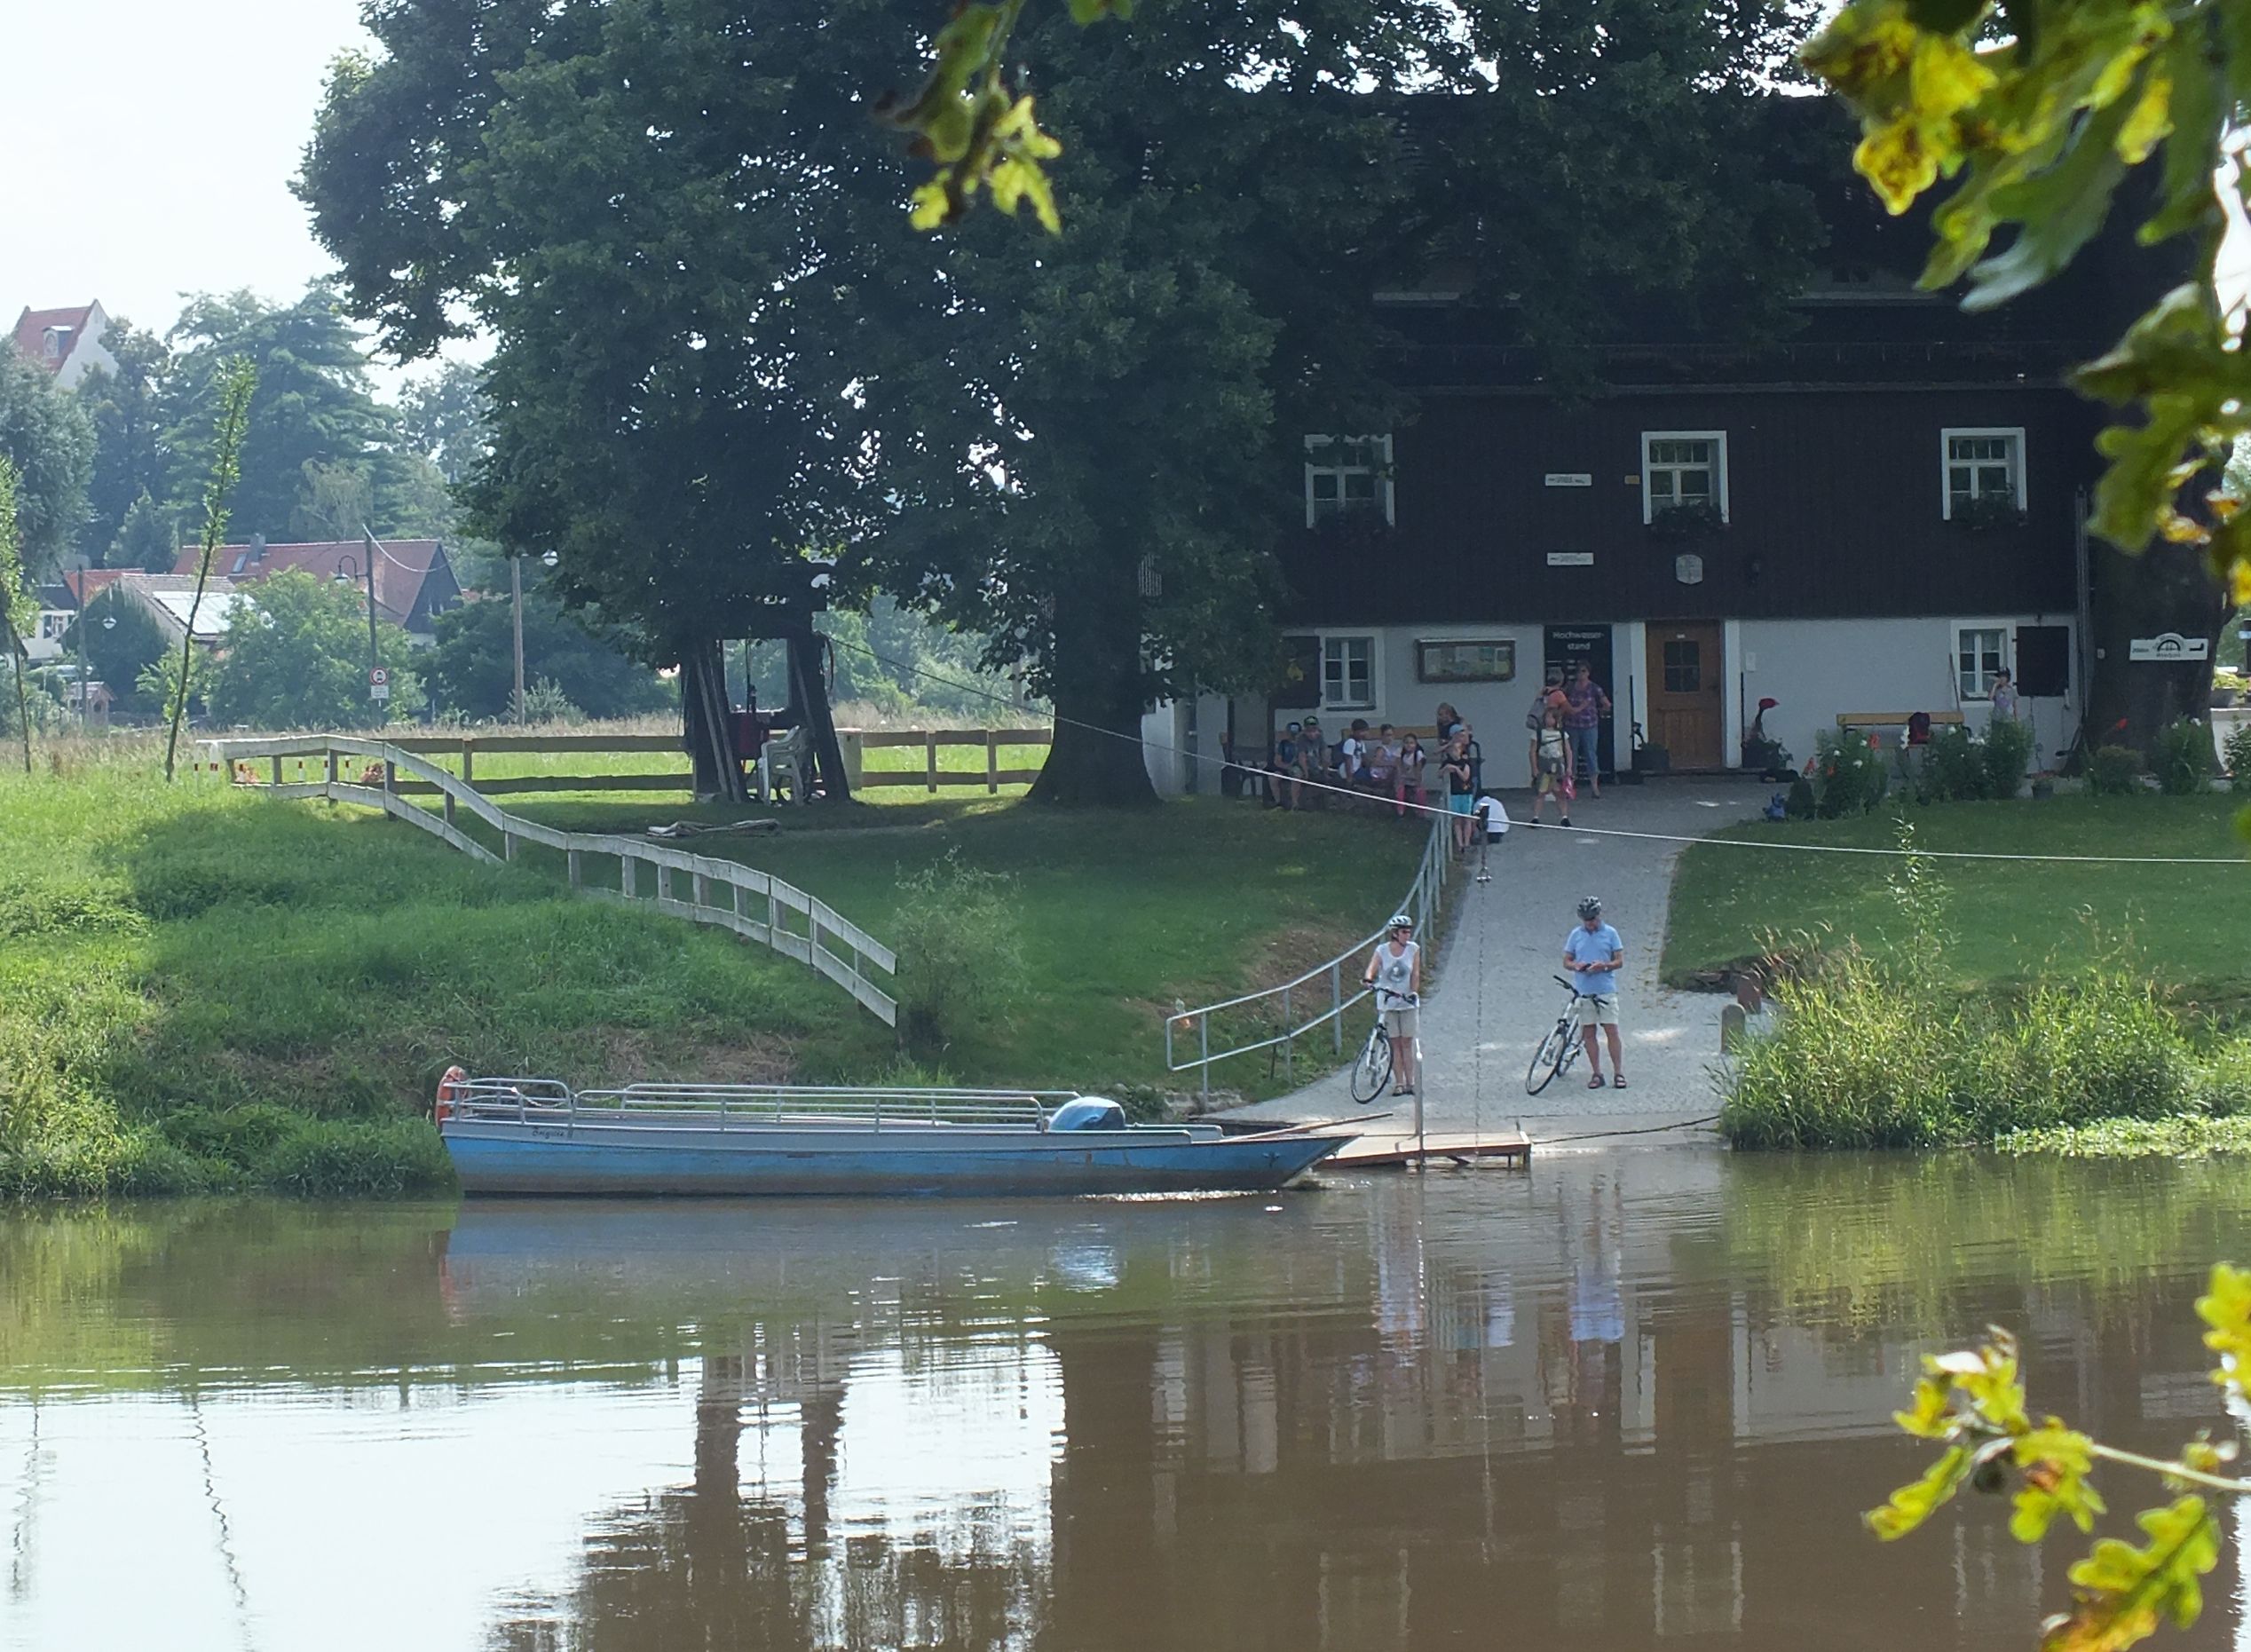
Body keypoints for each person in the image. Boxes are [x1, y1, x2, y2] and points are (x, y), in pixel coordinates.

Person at [1563, 897, 1626, 1089]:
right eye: (1586, 920)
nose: (1590, 923)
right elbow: (1566, 961)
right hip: (1584, 991)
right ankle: (1597, 1073)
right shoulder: (1576, 935)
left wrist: (1604, 966)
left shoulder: (1610, 933)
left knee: (1611, 1031)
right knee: (1588, 1033)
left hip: (1605, 990)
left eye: (1592, 919)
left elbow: (1619, 961)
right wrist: (1576, 966)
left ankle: (1618, 1072)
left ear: (1598, 916)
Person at [1362, 913, 1422, 1096]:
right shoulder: (1382, 950)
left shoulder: (1413, 949)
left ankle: (1411, 1082)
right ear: (1395, 933)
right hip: (1388, 1003)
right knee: (1395, 1044)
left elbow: (1415, 974)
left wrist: (1412, 993)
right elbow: (1372, 968)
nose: (1408, 935)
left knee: (1407, 1043)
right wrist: (1368, 979)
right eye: (1404, 932)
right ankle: (1399, 1083)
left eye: (1409, 931)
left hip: (1407, 1003)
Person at [1563, 663, 1612, 798]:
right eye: (1578, 671)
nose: (1580, 674)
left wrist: (1599, 711)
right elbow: (1562, 700)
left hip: (1589, 725)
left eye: (1583, 671)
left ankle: (1595, 787)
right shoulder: (1570, 687)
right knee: (1571, 755)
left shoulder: (1594, 688)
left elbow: (1607, 703)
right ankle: (1570, 786)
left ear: (1588, 673)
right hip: (1571, 725)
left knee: (1590, 754)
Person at [1529, 706, 1572, 826]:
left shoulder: (1562, 734)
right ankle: (1535, 817)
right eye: (1547, 717)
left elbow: (1568, 751)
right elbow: (1532, 752)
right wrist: (1534, 768)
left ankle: (1564, 817)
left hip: (1558, 765)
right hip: (1544, 765)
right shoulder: (1538, 734)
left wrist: (1569, 767)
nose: (1549, 720)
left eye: (1551, 717)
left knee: (1560, 793)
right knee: (1541, 792)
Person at [1527, 667, 1567, 785]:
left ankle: (1540, 780)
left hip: (1541, 727)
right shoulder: (1558, 694)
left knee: (1541, 753)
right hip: (1553, 730)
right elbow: (1569, 709)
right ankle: (1557, 783)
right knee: (1557, 755)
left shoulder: (1543, 692)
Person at [1441, 731, 1477, 850]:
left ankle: (1467, 842)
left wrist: (1456, 769)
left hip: (1466, 793)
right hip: (1454, 793)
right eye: (1452, 750)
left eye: (1456, 750)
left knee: (1467, 818)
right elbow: (1439, 774)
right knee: (1457, 820)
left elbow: (1465, 777)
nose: (1454, 753)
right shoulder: (1447, 763)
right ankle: (1460, 843)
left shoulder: (1465, 763)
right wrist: (1445, 769)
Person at [1266, 721, 1304, 809]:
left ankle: (1295, 803)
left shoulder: (1302, 745)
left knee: (1297, 776)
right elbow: (1277, 761)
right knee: (1273, 778)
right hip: (1284, 769)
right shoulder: (1283, 744)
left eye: (1296, 733)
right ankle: (1278, 802)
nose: (1294, 736)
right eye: (1292, 733)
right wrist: (1287, 767)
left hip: (1297, 768)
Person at [1394, 732, 1428, 818]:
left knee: (1420, 792)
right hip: (1403, 777)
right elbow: (1398, 767)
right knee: (1400, 790)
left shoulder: (1418, 754)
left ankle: (1421, 812)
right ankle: (1400, 811)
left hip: (1414, 778)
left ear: (1416, 744)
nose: (1409, 745)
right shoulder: (1400, 752)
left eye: (1412, 743)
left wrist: (1417, 783)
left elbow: (1418, 770)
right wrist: (1401, 780)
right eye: (1407, 743)